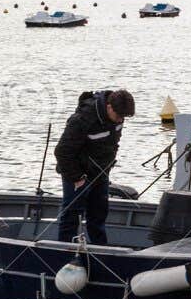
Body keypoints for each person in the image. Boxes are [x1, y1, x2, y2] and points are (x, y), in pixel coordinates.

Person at [55, 88, 135, 245]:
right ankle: (64, 250)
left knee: (99, 214)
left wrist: (107, 167)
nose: (121, 120)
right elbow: (62, 152)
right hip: (76, 173)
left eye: (124, 117)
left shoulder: (118, 116)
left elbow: (113, 144)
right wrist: (77, 178)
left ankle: (100, 249)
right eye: (119, 116)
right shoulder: (82, 120)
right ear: (109, 107)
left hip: (101, 172)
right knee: (71, 215)